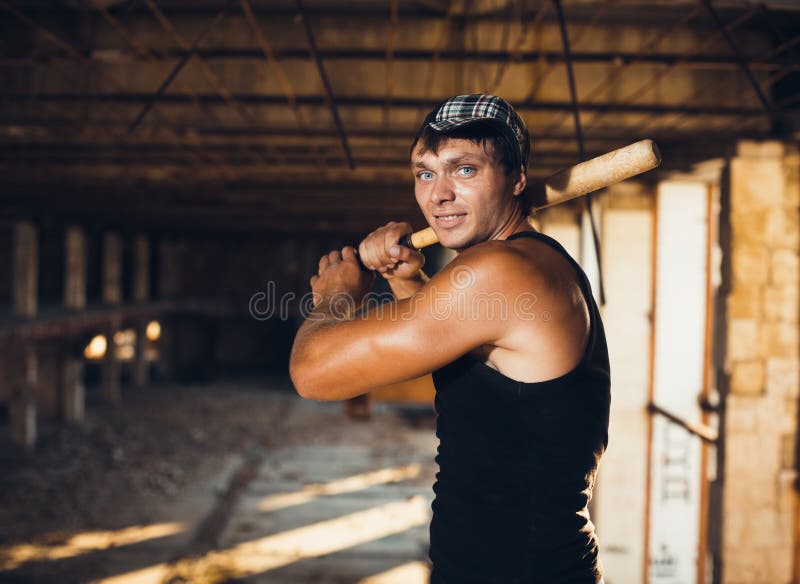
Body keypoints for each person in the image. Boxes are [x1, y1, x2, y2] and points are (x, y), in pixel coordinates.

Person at [290, 94, 610, 584]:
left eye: (464, 170)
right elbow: (462, 369)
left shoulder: (500, 271)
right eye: (425, 173)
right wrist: (404, 279)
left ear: (517, 178)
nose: (438, 195)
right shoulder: (532, 263)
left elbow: (313, 373)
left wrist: (335, 297)